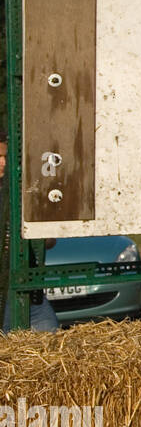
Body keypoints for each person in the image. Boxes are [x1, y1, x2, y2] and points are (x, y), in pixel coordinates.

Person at [0, 132, 60, 332]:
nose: (3, 163)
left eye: (6, 157)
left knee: (50, 341)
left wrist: (31, 237)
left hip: (29, 292)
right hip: (6, 292)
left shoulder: (24, 194)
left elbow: (50, 240)